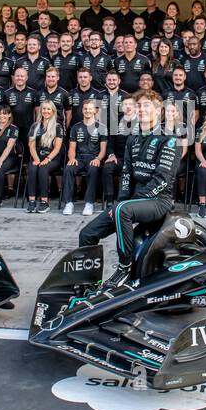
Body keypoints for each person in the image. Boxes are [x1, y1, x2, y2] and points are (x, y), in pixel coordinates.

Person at [77, 91, 181, 286]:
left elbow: (162, 180)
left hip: (159, 201)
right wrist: (122, 201)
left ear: (158, 111)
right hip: (132, 201)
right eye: (139, 106)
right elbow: (126, 175)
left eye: (147, 106)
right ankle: (86, 283)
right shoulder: (133, 138)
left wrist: (124, 205)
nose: (141, 109)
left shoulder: (170, 139)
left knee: (121, 210)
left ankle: (125, 268)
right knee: (87, 234)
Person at [62, 99, 107, 216]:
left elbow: (103, 150)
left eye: (90, 109)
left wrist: (98, 159)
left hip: (93, 158)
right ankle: (68, 203)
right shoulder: (76, 127)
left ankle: (89, 203)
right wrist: (72, 158)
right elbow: (72, 147)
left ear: (95, 111)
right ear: (82, 110)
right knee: (68, 169)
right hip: (79, 158)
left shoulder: (101, 127)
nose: (87, 111)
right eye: (85, 108)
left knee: (93, 169)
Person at [25, 100, 64, 214]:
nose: (46, 111)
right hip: (37, 156)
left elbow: (57, 148)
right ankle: (32, 201)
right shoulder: (35, 126)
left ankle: (44, 202)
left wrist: (47, 159)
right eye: (44, 109)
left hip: (52, 158)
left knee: (43, 169)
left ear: (53, 111)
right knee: (32, 168)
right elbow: (31, 146)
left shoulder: (58, 127)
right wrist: (36, 159)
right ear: (40, 110)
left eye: (48, 109)